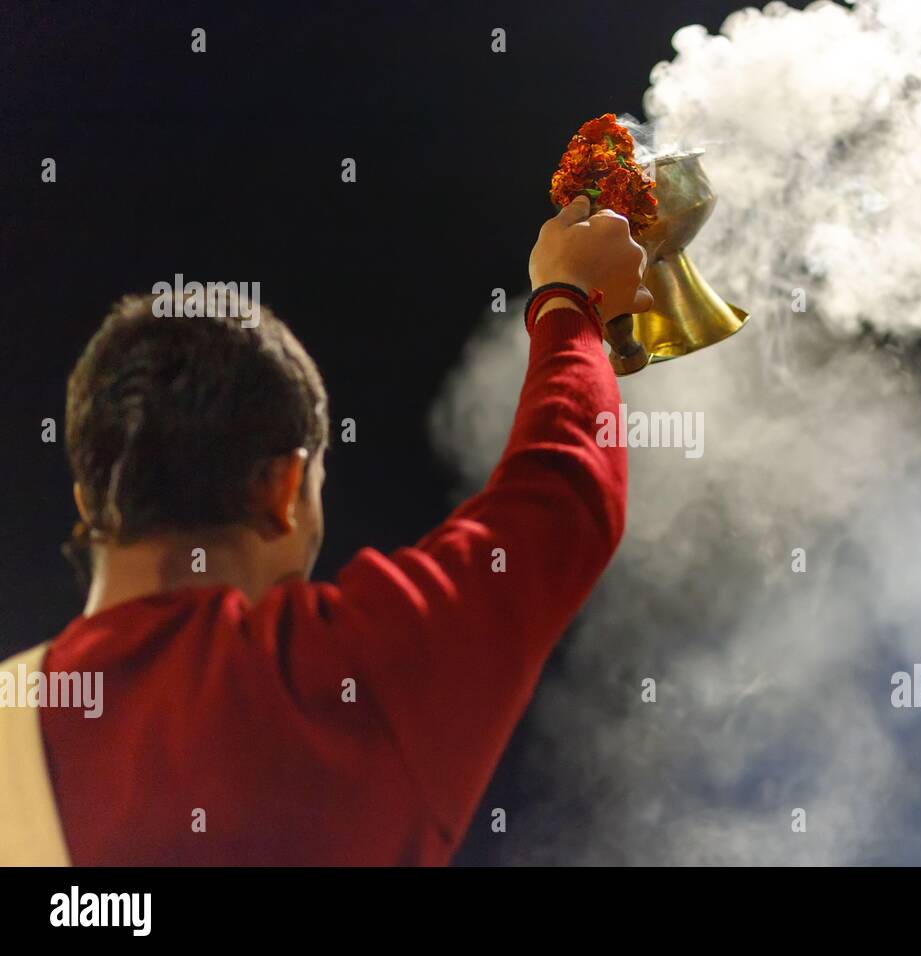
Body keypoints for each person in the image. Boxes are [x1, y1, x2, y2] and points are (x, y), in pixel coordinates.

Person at [0, 196, 650, 865]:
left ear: (87, 502)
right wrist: (569, 302)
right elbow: (561, 499)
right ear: (283, 489)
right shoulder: (339, 680)